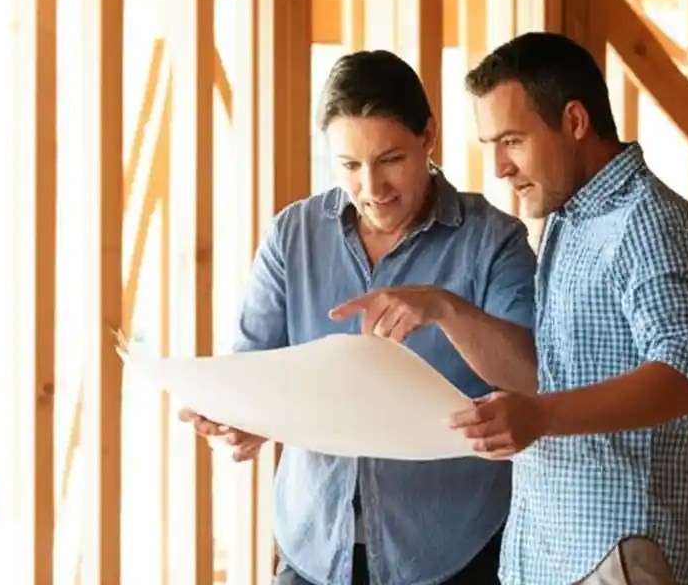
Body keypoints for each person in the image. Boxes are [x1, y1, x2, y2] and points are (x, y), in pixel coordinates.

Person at [178, 49, 538, 585]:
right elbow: (254, 371)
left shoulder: (494, 241)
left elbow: (534, 378)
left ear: (429, 137)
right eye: (349, 165)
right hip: (314, 552)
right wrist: (236, 422)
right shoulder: (292, 236)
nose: (372, 188)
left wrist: (445, 308)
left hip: (455, 555)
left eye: (390, 158)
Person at [440, 32, 688, 585]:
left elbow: (687, 374)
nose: (498, 167)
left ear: (574, 121)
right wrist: (446, 310)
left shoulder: (650, 223)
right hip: (552, 555)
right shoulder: (569, 219)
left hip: (619, 555)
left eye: (513, 140)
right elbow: (555, 371)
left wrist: (540, 415)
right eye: (489, 145)